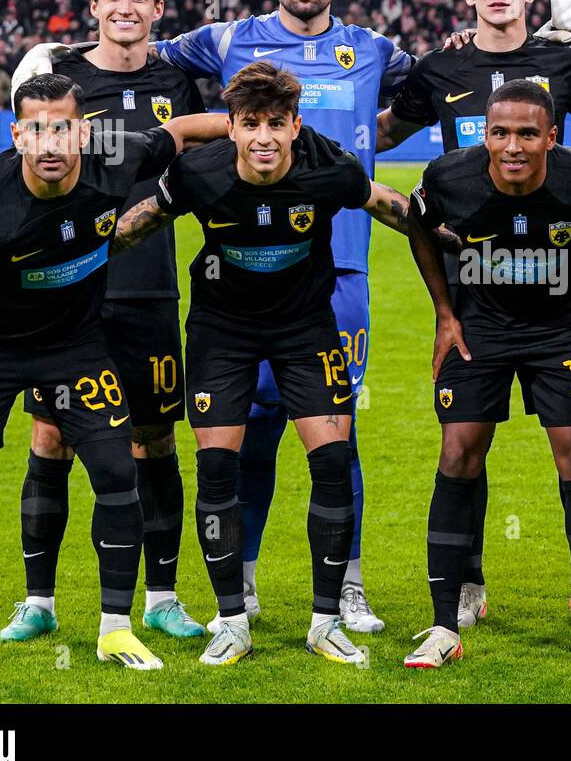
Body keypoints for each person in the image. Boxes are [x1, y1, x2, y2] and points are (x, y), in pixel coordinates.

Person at [154, 0, 413, 634]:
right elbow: (139, 54)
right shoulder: (225, 40)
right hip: (244, 276)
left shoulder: (376, 51)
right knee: (256, 427)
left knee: (338, 432)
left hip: (339, 270)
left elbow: (444, 87)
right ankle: (241, 581)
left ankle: (349, 586)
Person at [0, 72, 227, 677]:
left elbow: (182, 129)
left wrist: (254, 127)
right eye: (36, 129)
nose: (51, 142)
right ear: (18, 135)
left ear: (83, 131)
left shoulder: (118, 159)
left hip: (74, 345)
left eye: (62, 127)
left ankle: (116, 631)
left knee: (118, 471)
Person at [112, 62, 411, 666]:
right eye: (251, 125)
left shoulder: (330, 171)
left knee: (331, 463)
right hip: (223, 334)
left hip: (306, 330)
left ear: (295, 126)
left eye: (277, 123)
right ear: (232, 128)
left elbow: (389, 206)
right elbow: (134, 226)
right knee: (218, 470)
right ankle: (231, 622)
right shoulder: (198, 173)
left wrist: (455, 231)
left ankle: (325, 622)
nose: (264, 137)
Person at [376, 0, 571, 628]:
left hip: (551, 279)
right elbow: (388, 133)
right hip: (470, 282)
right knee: (464, 441)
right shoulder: (442, 66)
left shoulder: (566, 65)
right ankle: (468, 581)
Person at [401, 79, 571, 668]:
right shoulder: (449, 177)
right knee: (459, 452)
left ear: (551, 137)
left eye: (527, 134)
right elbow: (418, 229)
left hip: (559, 330)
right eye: (500, 133)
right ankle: (443, 622)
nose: (512, 145)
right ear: (485, 134)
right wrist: (444, 313)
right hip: (480, 329)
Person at [4, 0, 208, 645]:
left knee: (154, 441)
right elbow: (19, 170)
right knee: (52, 436)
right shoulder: (58, 78)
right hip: (67, 293)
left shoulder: (178, 82)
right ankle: (39, 601)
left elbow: (198, 167)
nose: (125, 7)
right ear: (93, 5)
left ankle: (163, 597)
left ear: (157, 9)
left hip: (149, 289)